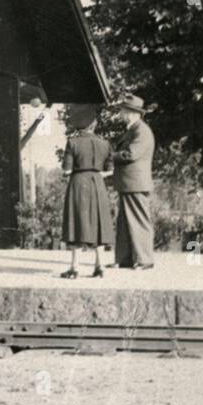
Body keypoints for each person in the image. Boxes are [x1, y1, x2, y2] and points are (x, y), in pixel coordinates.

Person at [59, 105, 113, 278]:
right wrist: (96, 173)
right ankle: (100, 266)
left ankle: (74, 268)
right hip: (97, 182)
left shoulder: (72, 142)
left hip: (78, 183)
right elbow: (110, 170)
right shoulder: (104, 143)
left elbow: (66, 171)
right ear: (93, 124)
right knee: (98, 222)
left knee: (76, 222)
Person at [108, 94, 157, 270]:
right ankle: (124, 259)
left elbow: (131, 154)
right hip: (129, 183)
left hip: (136, 183)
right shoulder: (133, 130)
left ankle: (145, 259)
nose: (120, 113)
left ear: (131, 113)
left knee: (138, 220)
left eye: (122, 110)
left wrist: (108, 157)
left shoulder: (142, 131)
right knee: (124, 222)